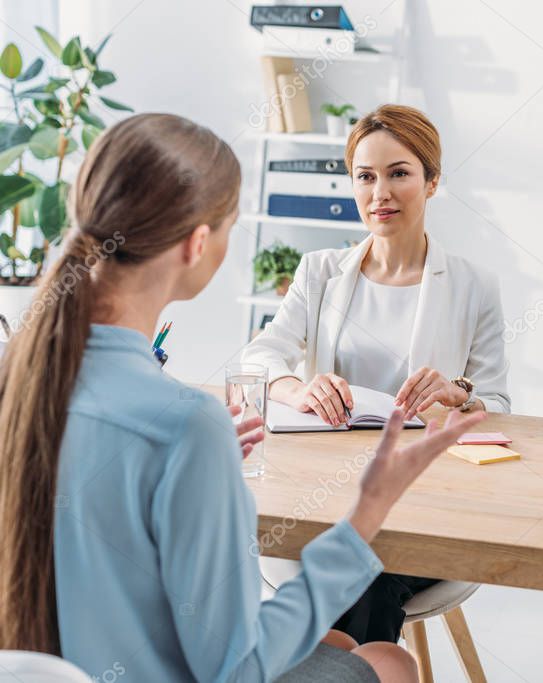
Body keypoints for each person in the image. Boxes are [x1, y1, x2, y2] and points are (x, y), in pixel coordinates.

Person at [0, 112, 485, 682]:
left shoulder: (22, 378)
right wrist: (366, 514)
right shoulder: (185, 423)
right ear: (198, 243)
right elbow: (236, 669)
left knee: (335, 638)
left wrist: (191, 475)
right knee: (390, 660)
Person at [242, 103, 509, 644]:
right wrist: (298, 386)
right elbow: (259, 355)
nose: (379, 193)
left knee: (356, 580)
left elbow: (500, 406)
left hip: (427, 508)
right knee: (358, 578)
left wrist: (459, 394)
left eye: (399, 174)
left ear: (432, 182)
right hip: (327, 499)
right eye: (365, 176)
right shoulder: (321, 271)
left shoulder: (473, 284)